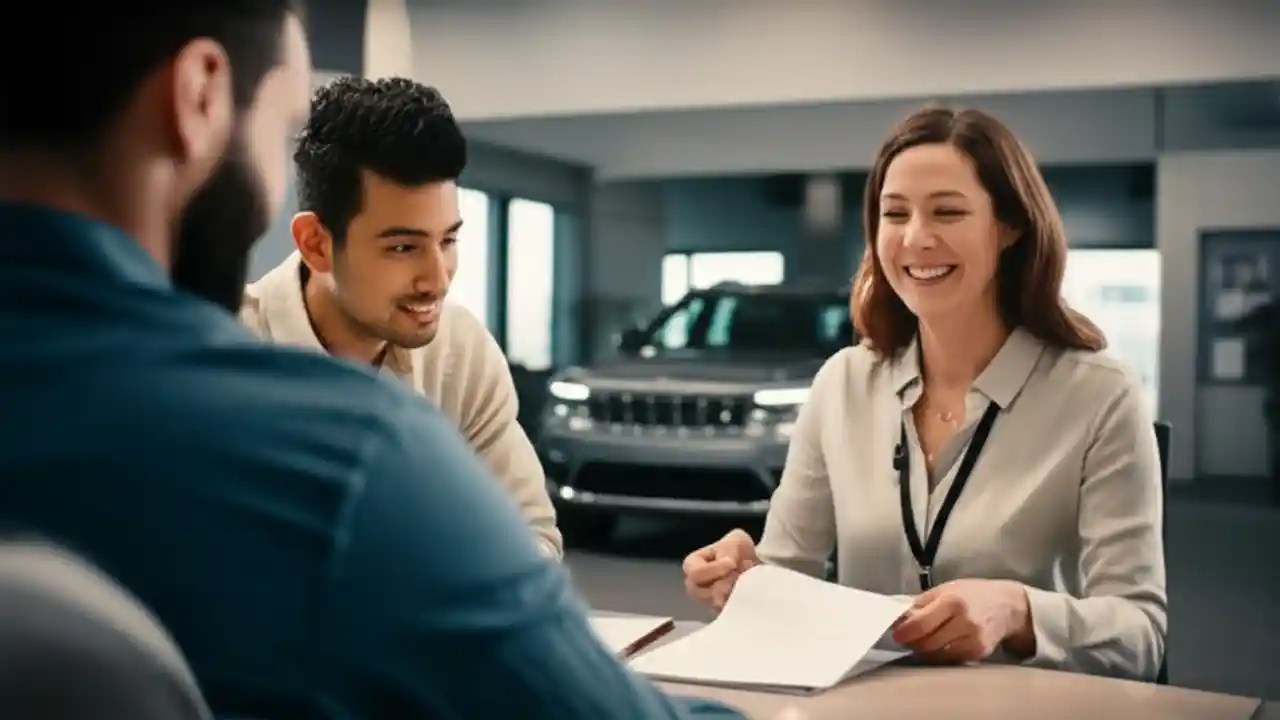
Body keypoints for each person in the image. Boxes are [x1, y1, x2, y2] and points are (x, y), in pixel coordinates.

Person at [0, 3, 740, 718]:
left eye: (449, 240)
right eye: (278, 123)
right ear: (198, 96)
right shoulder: (349, 453)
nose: (436, 277)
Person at [682, 106, 1167, 682]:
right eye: (894, 214)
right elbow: (788, 574)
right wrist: (747, 575)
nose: (915, 238)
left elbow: (1140, 635)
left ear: (1009, 226)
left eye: (948, 212)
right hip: (862, 700)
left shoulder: (1099, 395)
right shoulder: (843, 383)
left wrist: (1018, 612)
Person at [241, 76, 562, 559]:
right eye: (403, 247)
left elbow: (532, 544)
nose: (437, 279)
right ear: (316, 243)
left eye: (448, 240)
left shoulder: (462, 353)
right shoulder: (224, 354)